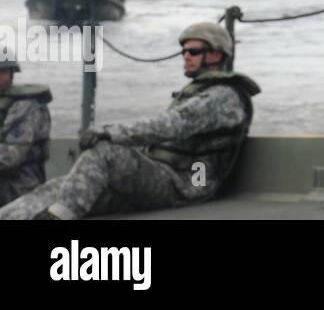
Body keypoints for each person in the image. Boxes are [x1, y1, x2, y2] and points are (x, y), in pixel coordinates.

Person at [0, 22, 259, 220]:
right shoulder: (203, 91)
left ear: (215, 55)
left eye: (193, 51)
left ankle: (58, 217)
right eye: (184, 51)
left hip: (189, 184)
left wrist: (110, 133)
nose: (186, 56)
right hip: (165, 177)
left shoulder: (223, 96)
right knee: (61, 186)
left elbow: (171, 125)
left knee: (105, 153)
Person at [0, 59, 51, 206]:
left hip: (19, 185)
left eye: (2, 72)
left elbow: (9, 157)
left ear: (11, 75)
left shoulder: (26, 106)